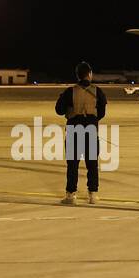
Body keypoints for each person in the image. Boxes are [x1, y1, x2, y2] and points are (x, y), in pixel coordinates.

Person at [55, 61, 107, 204]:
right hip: (90, 130)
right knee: (92, 164)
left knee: (72, 165)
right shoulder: (98, 91)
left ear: (77, 76)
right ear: (89, 74)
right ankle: (93, 194)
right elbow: (102, 113)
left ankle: (71, 195)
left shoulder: (70, 91)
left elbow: (58, 110)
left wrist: (70, 110)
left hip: (73, 130)